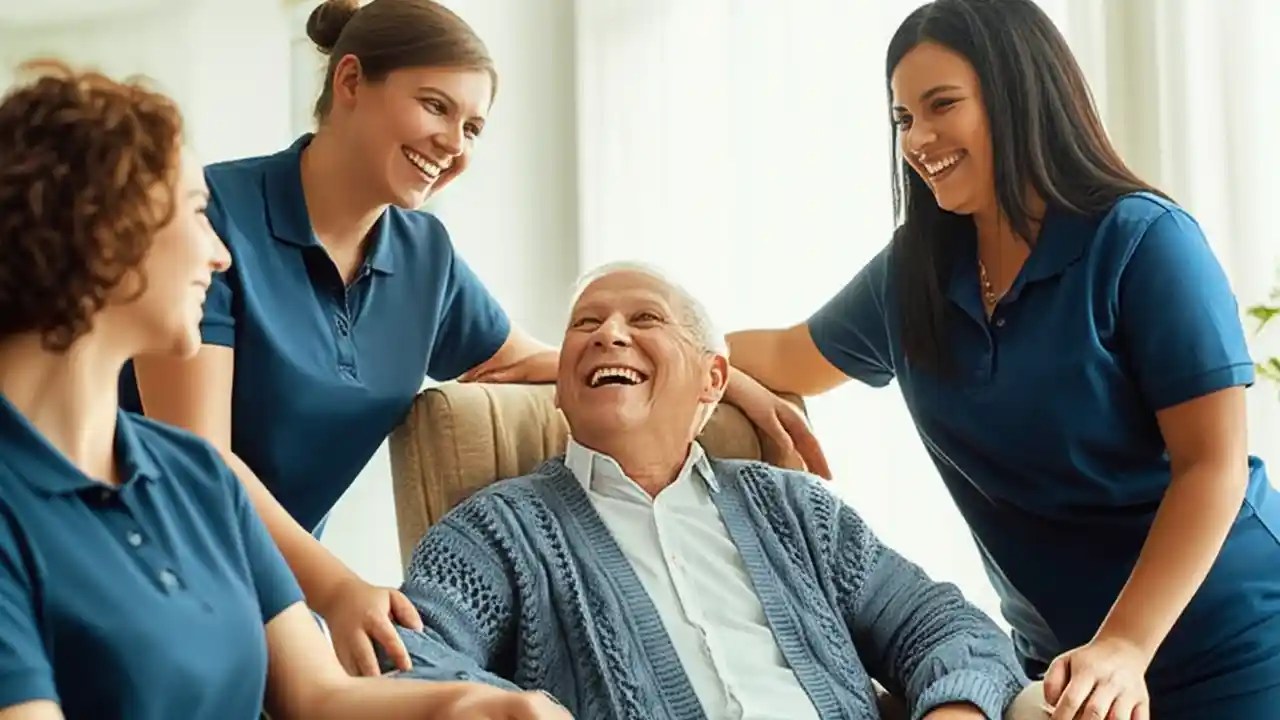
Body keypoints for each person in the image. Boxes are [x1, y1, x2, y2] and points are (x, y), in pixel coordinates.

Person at [722, 1, 1280, 718]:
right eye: (901, 118)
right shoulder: (914, 275)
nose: (917, 139)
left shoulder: (1145, 242)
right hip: (1068, 672)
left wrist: (1124, 647)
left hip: (1232, 644)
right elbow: (782, 354)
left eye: (941, 105)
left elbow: (1214, 465)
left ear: (1019, 93)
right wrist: (606, 353)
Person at [0, 61, 569, 720]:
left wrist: (474, 707)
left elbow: (320, 699)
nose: (218, 253)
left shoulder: (199, 478)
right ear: (98, 232)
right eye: (193, 213)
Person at [381, 263, 1046, 720]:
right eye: (586, 324)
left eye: (645, 318)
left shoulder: (793, 509)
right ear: (560, 388)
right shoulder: (499, 528)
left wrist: (955, 708)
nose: (609, 333)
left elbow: (938, 623)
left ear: (712, 379)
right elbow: (413, 653)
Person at [117, 0, 559, 677]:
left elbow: (533, 363)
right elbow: (196, 459)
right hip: (141, 571)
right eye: (436, 107)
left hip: (279, 601)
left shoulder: (424, 256)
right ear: (350, 82)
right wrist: (336, 589)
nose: (455, 144)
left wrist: (710, 372)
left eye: (473, 126)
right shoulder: (211, 219)